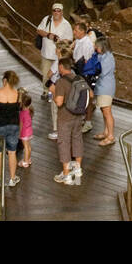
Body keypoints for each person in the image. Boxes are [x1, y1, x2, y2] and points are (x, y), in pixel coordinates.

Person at [52, 56, 89, 186]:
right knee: (77, 139)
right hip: (78, 115)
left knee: (64, 143)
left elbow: (59, 102)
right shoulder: (80, 78)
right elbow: (91, 95)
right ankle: (78, 168)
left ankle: (66, 175)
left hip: (65, 117)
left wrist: (53, 91)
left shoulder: (61, 82)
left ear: (61, 67)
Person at [0, 71, 21, 188]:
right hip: (13, 125)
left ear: (5, 80)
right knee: (12, 153)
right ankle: (13, 178)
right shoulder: (18, 94)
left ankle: (1, 180)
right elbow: (19, 107)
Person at [36, 4, 72, 100]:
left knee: (57, 76)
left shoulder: (66, 24)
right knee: (45, 73)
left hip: (58, 56)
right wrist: (48, 35)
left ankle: (57, 92)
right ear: (52, 11)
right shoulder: (47, 19)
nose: (56, 12)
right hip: (46, 54)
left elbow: (70, 40)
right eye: (54, 10)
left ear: (62, 12)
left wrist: (62, 41)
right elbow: (39, 30)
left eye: (58, 10)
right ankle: (46, 91)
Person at [72, 20, 99, 133]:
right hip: (79, 72)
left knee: (87, 98)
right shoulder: (79, 41)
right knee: (81, 98)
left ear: (83, 31)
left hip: (85, 74)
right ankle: (83, 118)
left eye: (76, 30)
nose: (74, 32)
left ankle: (88, 122)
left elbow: (87, 61)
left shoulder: (87, 43)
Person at [92, 36, 117, 146]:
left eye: (96, 46)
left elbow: (101, 72)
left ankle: (111, 136)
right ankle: (106, 132)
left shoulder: (108, 58)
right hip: (101, 86)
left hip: (106, 87)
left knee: (107, 112)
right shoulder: (101, 56)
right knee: (103, 110)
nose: (95, 48)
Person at [17, 93, 34, 169]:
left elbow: (20, 125)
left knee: (26, 147)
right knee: (28, 146)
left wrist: (19, 134)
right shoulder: (30, 110)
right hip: (30, 131)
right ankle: (29, 159)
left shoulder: (22, 113)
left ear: (22, 103)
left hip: (24, 133)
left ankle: (25, 162)